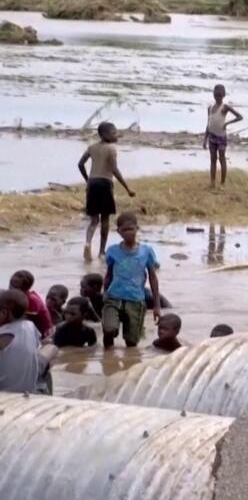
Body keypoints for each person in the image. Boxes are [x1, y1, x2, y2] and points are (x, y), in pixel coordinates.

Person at [78, 121, 135, 262]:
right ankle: (102, 252)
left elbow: (80, 164)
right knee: (105, 219)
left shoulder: (92, 147)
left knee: (93, 220)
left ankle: (88, 243)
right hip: (105, 183)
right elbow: (114, 170)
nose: (116, 135)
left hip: (92, 183)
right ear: (104, 135)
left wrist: (87, 180)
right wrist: (127, 188)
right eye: (113, 133)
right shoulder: (111, 149)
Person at [103, 212, 161, 350]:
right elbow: (109, 275)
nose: (128, 233)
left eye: (131, 229)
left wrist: (157, 306)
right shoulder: (112, 251)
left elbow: (153, 277)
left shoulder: (146, 251)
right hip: (114, 297)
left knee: (131, 342)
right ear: (119, 232)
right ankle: (108, 356)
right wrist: (105, 293)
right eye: (124, 230)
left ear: (137, 229)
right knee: (109, 329)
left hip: (136, 300)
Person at [0, 289, 56, 394]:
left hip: (5, 392)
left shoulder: (3, 335)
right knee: (51, 347)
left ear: (3, 313)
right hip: (28, 387)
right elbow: (36, 346)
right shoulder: (30, 325)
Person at [203, 83, 244, 190]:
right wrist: (205, 139)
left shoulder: (225, 107)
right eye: (216, 95)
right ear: (213, 95)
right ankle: (212, 183)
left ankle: (222, 184)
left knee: (222, 159)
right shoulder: (210, 108)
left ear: (223, 96)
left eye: (219, 96)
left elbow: (240, 117)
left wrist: (227, 123)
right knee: (213, 160)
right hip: (211, 137)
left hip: (221, 137)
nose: (217, 97)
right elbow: (208, 124)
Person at [9, 271, 52, 339]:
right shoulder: (15, 296)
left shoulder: (32, 300)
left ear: (26, 288)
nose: (10, 288)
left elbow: (25, 324)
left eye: (15, 286)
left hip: (42, 334)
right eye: (11, 284)